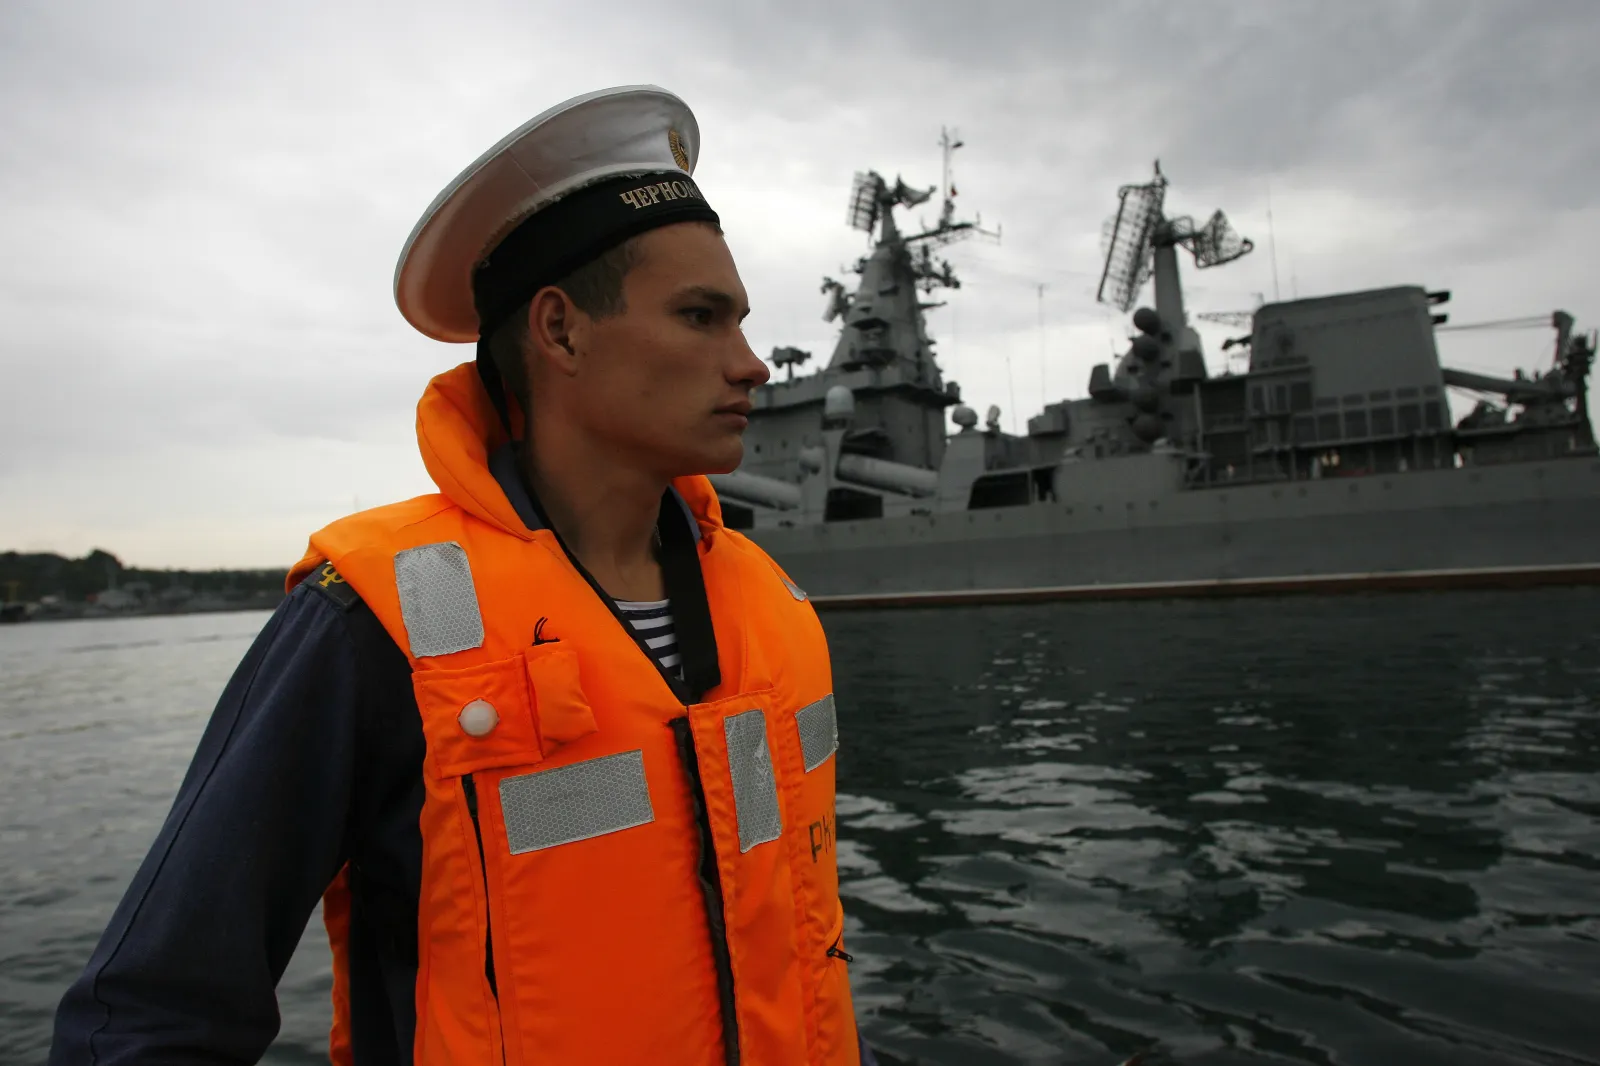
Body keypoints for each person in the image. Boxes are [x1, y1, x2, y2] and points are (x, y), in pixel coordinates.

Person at [50, 85, 874, 1066]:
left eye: (738, 322)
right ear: (560, 331)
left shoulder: (770, 600)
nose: (751, 364)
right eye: (701, 317)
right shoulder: (371, 618)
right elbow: (154, 1014)